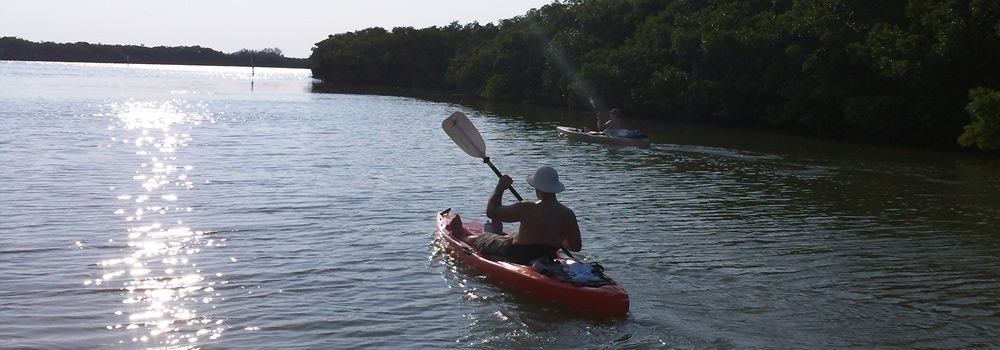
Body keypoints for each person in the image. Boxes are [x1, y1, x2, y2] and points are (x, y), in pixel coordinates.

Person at [450, 165, 582, 265]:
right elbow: (575, 247)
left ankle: (462, 236)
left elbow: (492, 211)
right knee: (513, 235)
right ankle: (499, 233)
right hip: (547, 256)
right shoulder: (568, 214)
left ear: (536, 188)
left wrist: (501, 186)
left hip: (518, 255)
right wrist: (553, 236)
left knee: (483, 237)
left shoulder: (527, 208)